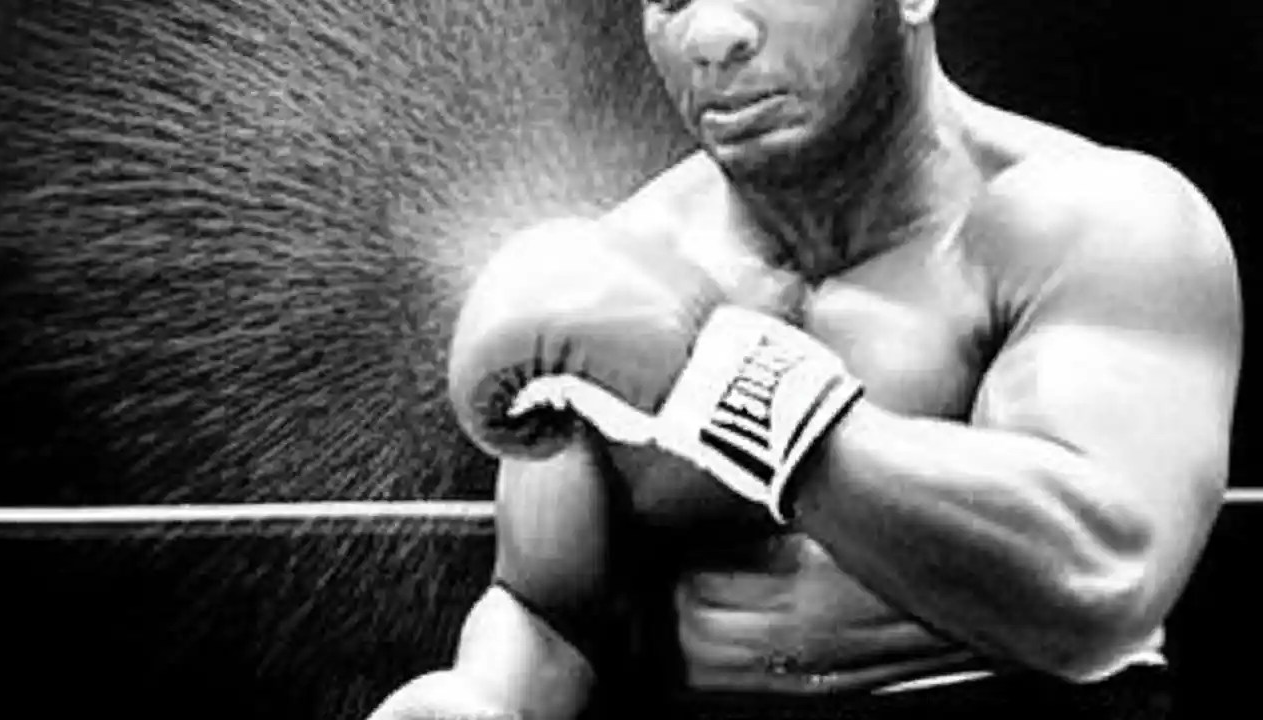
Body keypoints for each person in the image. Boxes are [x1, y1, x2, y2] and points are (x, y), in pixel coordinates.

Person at [370, 0, 1243, 718]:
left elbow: (1096, 581)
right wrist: (482, 699)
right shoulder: (619, 270)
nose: (711, 34)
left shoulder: (1092, 223)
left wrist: (722, 383)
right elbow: (550, 613)